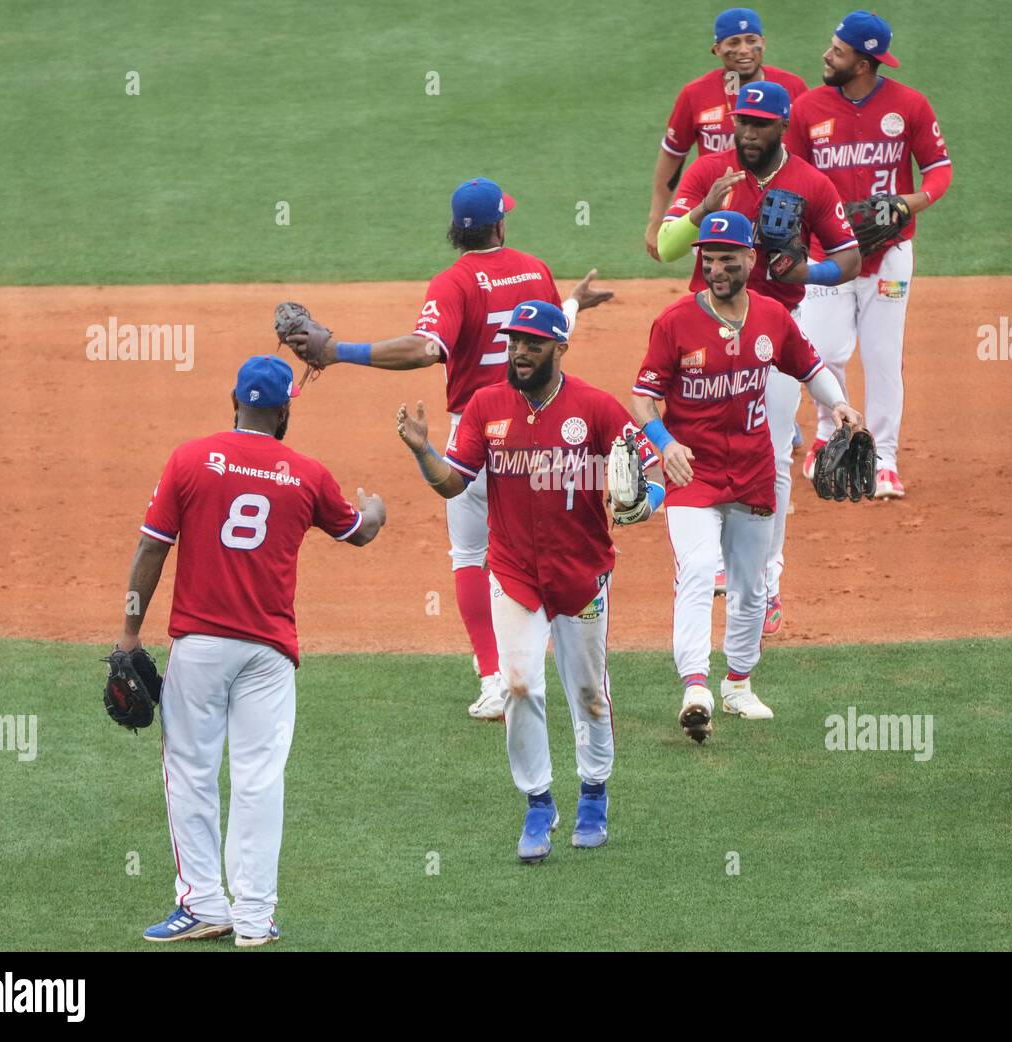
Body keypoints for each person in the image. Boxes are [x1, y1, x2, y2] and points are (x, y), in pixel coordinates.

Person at [285, 178, 613, 720]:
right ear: (501, 224)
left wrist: (335, 350)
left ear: (455, 232)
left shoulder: (454, 281)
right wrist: (574, 301)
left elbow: (423, 349)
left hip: (477, 432)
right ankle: (559, 672)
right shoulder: (535, 269)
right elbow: (551, 333)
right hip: (541, 431)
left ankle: (495, 679)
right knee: (551, 544)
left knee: (471, 554)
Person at [124, 355, 384, 946]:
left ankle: (203, 905)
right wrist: (376, 510)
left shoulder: (190, 458)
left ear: (234, 399)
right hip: (269, 654)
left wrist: (128, 634)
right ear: (284, 410)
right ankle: (255, 918)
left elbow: (151, 550)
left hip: (200, 647)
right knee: (260, 780)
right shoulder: (306, 473)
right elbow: (359, 531)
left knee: (190, 773)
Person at [396, 300, 663, 862]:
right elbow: (453, 483)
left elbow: (652, 470)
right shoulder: (484, 406)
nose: (519, 352)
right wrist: (424, 452)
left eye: (533, 343)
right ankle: (539, 801)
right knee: (518, 684)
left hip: (582, 572)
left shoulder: (594, 407)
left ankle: (593, 792)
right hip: (514, 572)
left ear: (559, 348)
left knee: (589, 693)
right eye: (514, 341)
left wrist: (647, 502)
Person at [634, 212, 862, 743]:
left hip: (755, 469)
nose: (715, 268)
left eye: (726, 259)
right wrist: (666, 445)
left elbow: (809, 368)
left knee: (752, 585)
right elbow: (643, 397)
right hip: (692, 470)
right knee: (696, 570)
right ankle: (695, 687)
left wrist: (841, 406)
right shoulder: (674, 323)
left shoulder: (772, 317)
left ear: (749, 260)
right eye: (708, 259)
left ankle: (738, 683)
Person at [656, 81, 860, 636]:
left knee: (769, 460)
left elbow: (849, 257)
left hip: (775, 338)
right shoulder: (708, 173)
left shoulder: (810, 183)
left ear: (782, 126)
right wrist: (702, 209)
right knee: (694, 446)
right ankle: (705, 562)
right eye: (741, 122)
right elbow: (667, 246)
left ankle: (768, 579)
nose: (746, 134)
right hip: (702, 336)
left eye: (759, 125)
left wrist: (807, 274)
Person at [787, 10, 953, 499]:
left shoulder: (910, 106)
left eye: (837, 51)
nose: (826, 54)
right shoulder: (806, 109)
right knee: (822, 351)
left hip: (890, 254)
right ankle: (827, 432)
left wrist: (907, 203)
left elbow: (939, 171)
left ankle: (884, 459)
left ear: (864, 62)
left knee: (882, 359)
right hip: (826, 255)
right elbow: (793, 179)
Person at [645, 7, 808, 260]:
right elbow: (673, 155)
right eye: (734, 42)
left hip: (778, 212)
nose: (744, 49)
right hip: (716, 214)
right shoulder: (695, 94)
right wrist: (657, 219)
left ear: (763, 43)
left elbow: (808, 154)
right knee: (720, 278)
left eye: (751, 40)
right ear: (717, 48)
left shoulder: (792, 87)